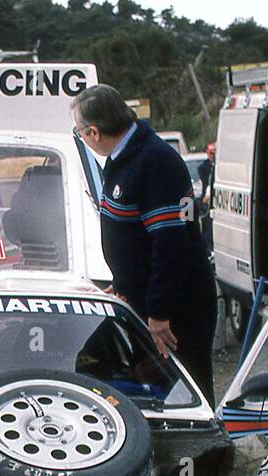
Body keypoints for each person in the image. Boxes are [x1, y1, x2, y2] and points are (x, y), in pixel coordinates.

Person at [72, 84, 217, 402]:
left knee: (187, 391)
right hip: (141, 299)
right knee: (114, 373)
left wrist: (160, 313)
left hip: (178, 307)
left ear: (94, 132)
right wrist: (124, 282)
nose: (81, 137)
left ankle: (202, 450)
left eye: (79, 132)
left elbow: (170, 243)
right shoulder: (121, 159)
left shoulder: (155, 161)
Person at [199, 142, 216, 253]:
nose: (212, 155)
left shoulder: (217, 167)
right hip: (204, 201)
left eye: (214, 153)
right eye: (210, 153)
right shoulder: (203, 167)